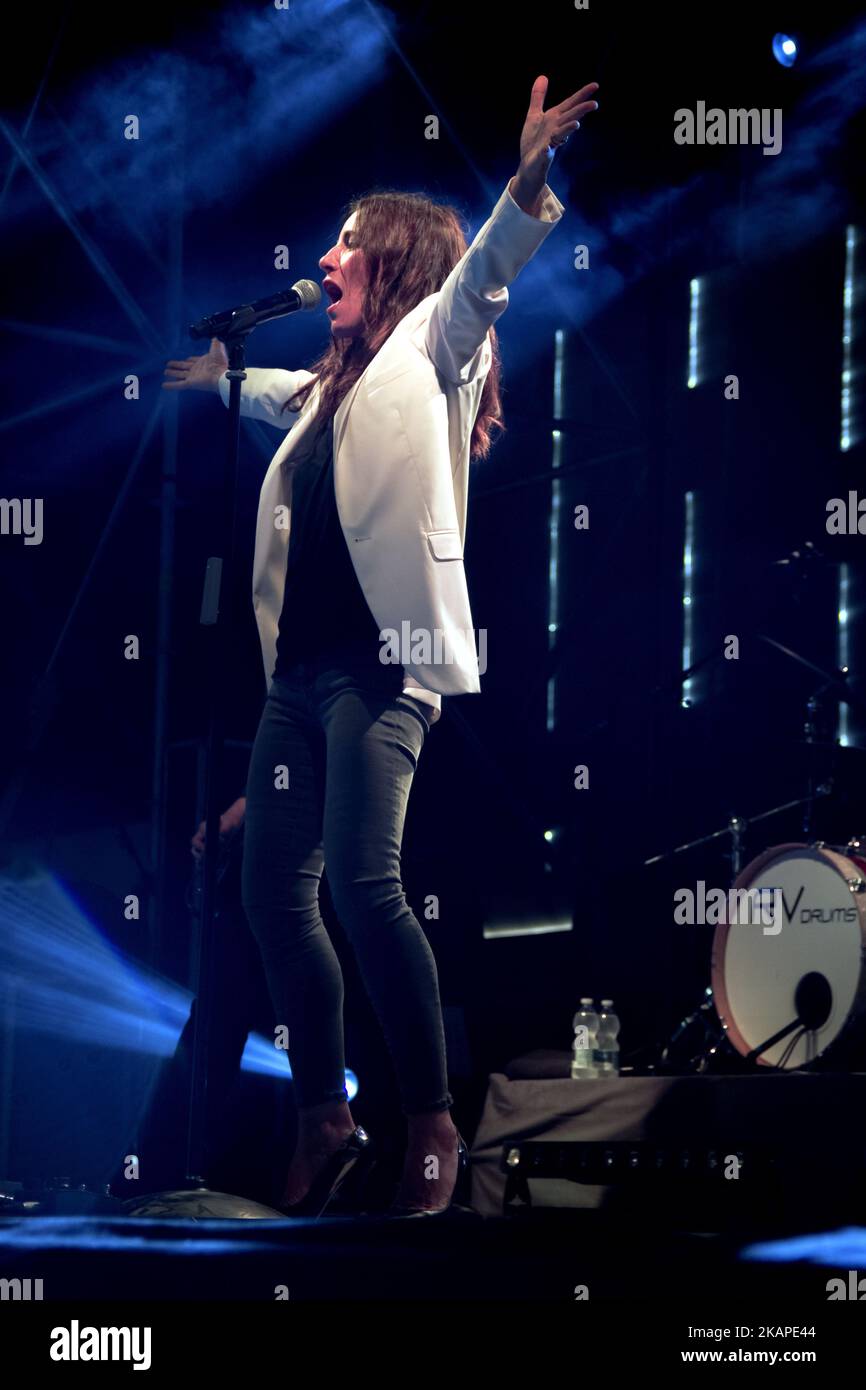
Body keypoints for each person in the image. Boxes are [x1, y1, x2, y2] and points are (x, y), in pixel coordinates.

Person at [163, 75, 599, 1216]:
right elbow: (279, 398)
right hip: (294, 683)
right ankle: (322, 1107)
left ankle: (430, 1114)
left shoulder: (432, 351)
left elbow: (491, 274)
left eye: (349, 244)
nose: (327, 258)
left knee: (364, 884)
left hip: (382, 667)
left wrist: (526, 178)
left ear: (397, 263)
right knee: (270, 897)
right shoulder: (324, 393)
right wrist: (223, 377)